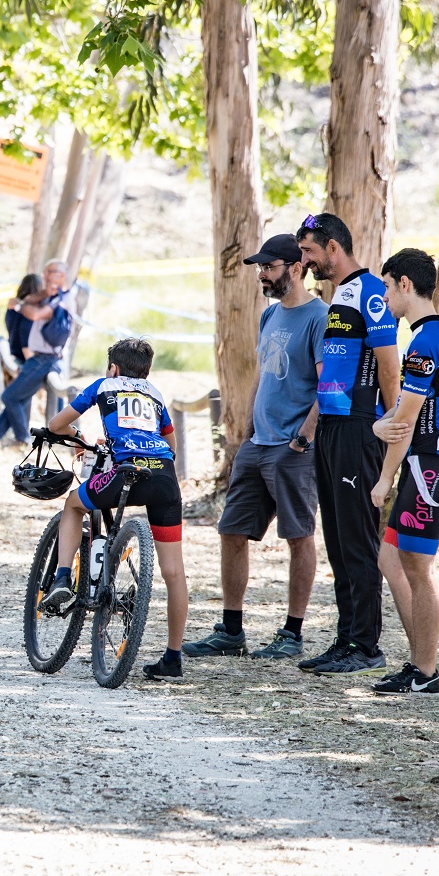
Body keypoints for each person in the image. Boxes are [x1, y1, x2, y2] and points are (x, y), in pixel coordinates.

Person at [183, 233, 326, 660]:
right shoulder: (269, 317)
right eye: (260, 268)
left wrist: (304, 436)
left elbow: (328, 385)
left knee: (299, 536)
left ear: (296, 268)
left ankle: (292, 633)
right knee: (231, 531)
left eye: (269, 267)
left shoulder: (320, 317)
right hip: (257, 444)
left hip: (293, 447)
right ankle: (231, 630)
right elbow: (263, 377)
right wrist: (246, 431)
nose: (262, 274)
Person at [39, 337, 188, 680]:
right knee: (174, 571)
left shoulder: (104, 385)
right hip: (164, 477)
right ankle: (173, 658)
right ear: (146, 370)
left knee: (73, 504)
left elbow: (56, 425)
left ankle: (62, 577)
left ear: (114, 368)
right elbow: (171, 443)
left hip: (124, 474)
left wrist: (84, 439)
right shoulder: (154, 393)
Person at [296, 213, 400, 676]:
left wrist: (394, 425)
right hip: (332, 429)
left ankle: (366, 645)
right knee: (336, 539)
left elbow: (388, 366)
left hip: (361, 428)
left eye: (309, 252)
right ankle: (345, 638)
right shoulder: (339, 294)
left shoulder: (372, 292)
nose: (305, 261)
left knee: (357, 538)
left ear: (333, 248)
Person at [368, 249, 439, 696]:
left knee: (418, 569)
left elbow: (401, 426)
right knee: (391, 559)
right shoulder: (427, 336)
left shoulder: (426, 340)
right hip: (424, 464)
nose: (385, 295)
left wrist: (384, 481)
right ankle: (418, 665)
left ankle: (426, 674)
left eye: (388, 285)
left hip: (431, 467)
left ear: (405, 284)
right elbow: (399, 417)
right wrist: (380, 424)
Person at [0, 260, 75, 447]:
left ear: (62, 276)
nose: (46, 276)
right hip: (39, 358)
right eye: (44, 273)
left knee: (11, 397)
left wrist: (18, 305)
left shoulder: (59, 300)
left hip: (40, 359)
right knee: (18, 398)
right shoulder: (50, 296)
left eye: (50, 272)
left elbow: (35, 318)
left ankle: (21, 438)